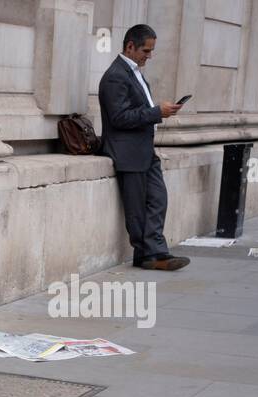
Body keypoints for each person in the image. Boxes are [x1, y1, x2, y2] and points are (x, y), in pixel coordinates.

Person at [98, 24, 190, 271]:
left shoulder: (134, 72)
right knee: (137, 208)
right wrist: (156, 112)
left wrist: (157, 111)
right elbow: (119, 117)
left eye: (151, 51)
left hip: (143, 150)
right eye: (146, 51)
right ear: (130, 46)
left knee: (158, 199)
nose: (149, 56)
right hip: (127, 152)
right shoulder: (116, 75)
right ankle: (149, 255)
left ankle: (154, 252)